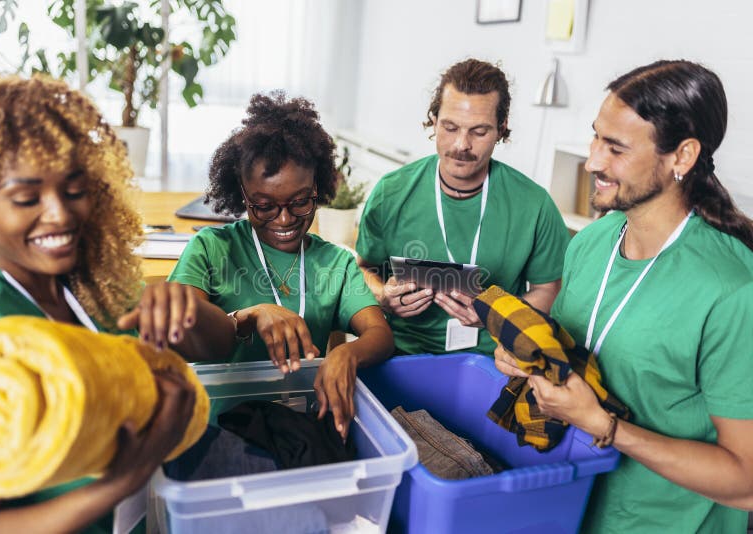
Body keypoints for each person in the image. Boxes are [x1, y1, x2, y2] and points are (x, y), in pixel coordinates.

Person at [0, 72, 236, 533]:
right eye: (26, 198)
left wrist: (185, 307)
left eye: (74, 190)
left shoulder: (90, 280)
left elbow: (221, 344)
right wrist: (122, 479)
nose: (60, 214)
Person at [496, 60, 753, 532]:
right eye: (596, 138)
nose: (593, 160)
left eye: (615, 148)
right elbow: (578, 348)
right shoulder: (594, 242)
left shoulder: (735, 291)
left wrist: (605, 427)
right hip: (569, 509)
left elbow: (747, 480)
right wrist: (525, 353)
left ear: (682, 156)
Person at [168, 91, 394, 438]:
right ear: (242, 195)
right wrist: (248, 316)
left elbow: (379, 335)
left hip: (299, 430)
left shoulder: (335, 262)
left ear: (318, 186)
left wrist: (348, 354)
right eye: (264, 205)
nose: (285, 219)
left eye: (300, 201)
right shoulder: (212, 249)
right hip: (218, 429)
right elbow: (178, 328)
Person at [356, 58, 571, 356]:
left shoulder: (534, 205)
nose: (461, 145)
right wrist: (383, 296)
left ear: (501, 127)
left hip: (491, 357)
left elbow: (549, 290)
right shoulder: (391, 192)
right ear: (434, 120)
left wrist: (496, 315)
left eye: (479, 132)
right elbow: (364, 269)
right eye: (450, 127)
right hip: (401, 352)